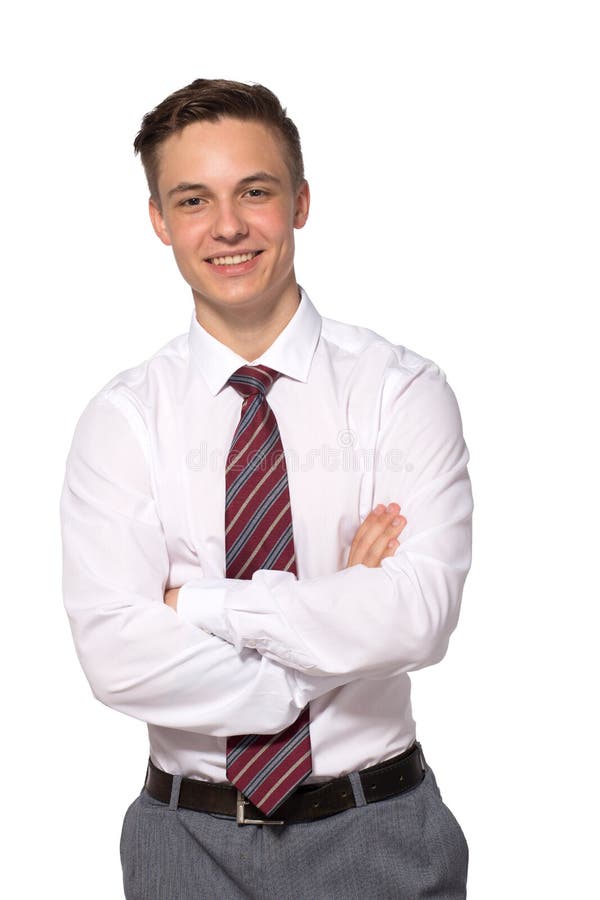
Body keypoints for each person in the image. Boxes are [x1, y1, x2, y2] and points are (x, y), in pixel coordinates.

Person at [60, 78, 473, 899]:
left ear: (300, 202)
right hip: (185, 846)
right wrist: (330, 627)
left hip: (380, 834)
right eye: (193, 200)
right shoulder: (123, 421)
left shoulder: (400, 392)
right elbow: (117, 657)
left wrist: (199, 606)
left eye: (255, 191)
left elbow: (417, 617)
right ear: (159, 220)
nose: (228, 227)